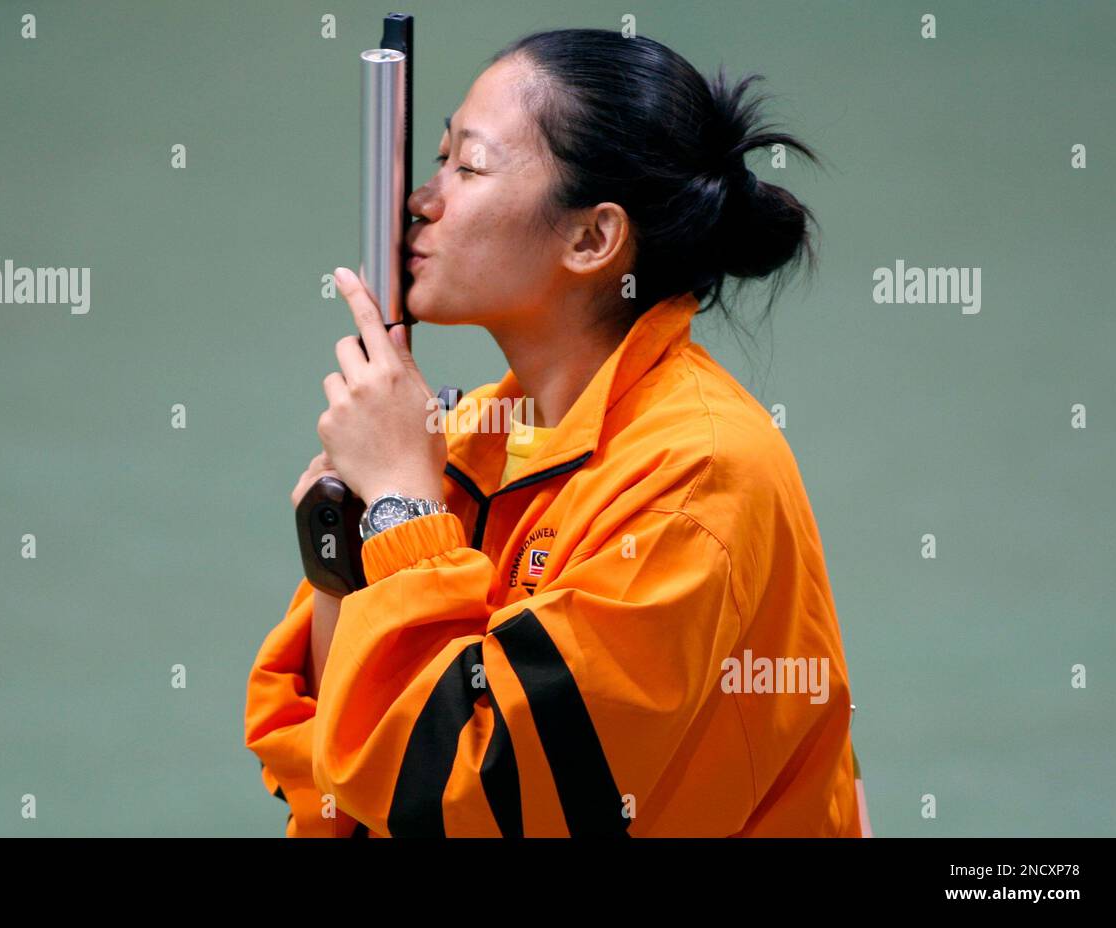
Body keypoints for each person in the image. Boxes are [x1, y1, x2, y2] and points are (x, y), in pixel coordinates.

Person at [245, 27, 868, 837]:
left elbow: (477, 800)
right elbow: (336, 779)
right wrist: (343, 556)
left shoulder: (699, 476)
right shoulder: (467, 441)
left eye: (467, 167)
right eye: (437, 158)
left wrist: (400, 509)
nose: (421, 199)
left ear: (592, 239)